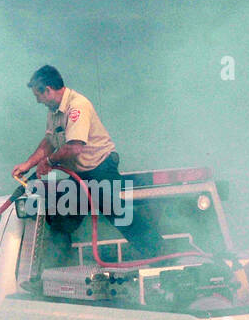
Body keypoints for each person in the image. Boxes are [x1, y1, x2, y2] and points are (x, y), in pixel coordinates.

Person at [12, 64, 164, 263]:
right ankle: (56, 266)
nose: (37, 101)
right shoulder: (55, 110)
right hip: (82, 174)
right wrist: (28, 164)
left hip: (101, 168)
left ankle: (161, 254)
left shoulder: (77, 106)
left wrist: (48, 162)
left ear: (48, 90)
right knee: (60, 217)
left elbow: (75, 147)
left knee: (116, 210)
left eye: (37, 95)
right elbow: (50, 141)